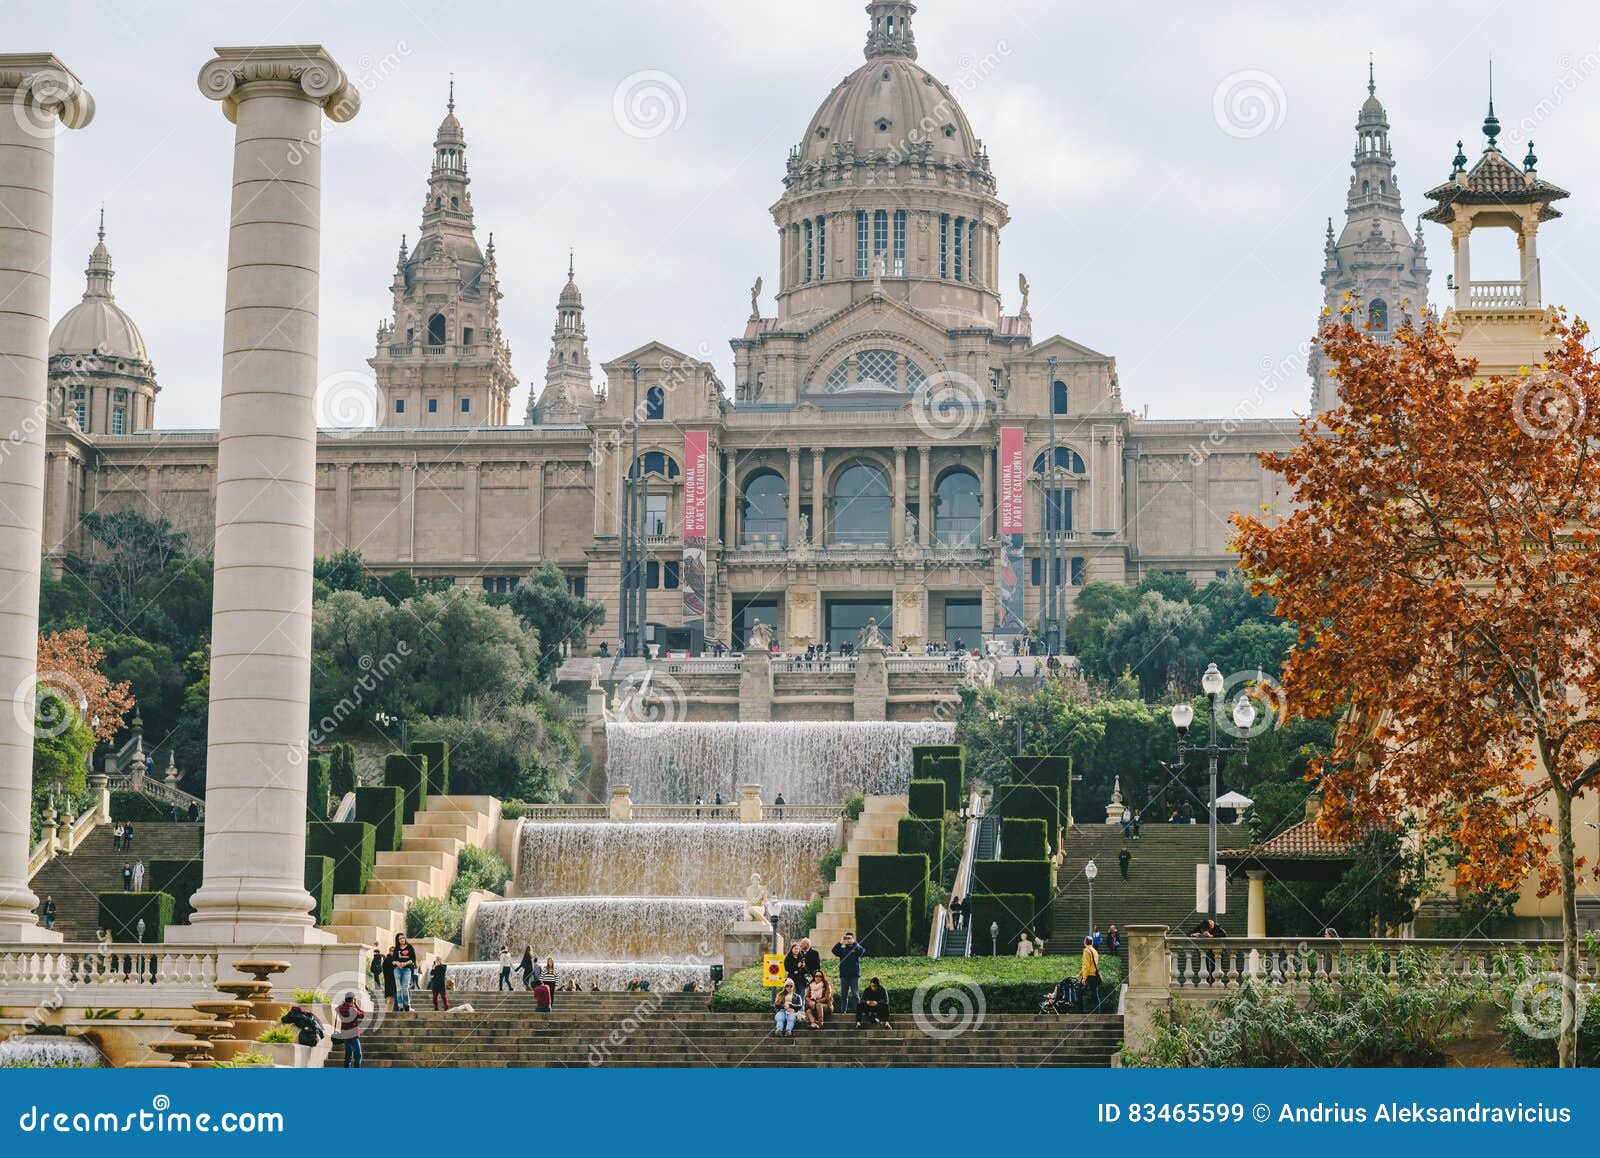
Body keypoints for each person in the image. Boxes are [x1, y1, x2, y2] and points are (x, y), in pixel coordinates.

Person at [832, 932, 865, 1012]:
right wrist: (840, 942)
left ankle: (858, 1011)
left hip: (854, 976)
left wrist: (855, 943)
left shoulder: (856, 949)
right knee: (844, 995)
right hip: (844, 976)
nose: (848, 940)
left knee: (855, 994)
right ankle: (843, 1011)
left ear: (853, 939)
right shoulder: (842, 950)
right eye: (846, 938)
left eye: (850, 938)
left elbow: (862, 951)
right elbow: (834, 951)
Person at [334, 991, 364, 1068]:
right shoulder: (353, 1010)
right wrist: (356, 1005)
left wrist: (344, 1003)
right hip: (353, 1035)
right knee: (358, 1056)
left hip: (345, 1034)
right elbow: (362, 1015)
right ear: (353, 1000)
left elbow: (337, 1008)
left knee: (348, 1056)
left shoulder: (340, 1008)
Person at [390, 934, 418, 1011]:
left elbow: (413, 959)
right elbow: (393, 961)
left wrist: (405, 963)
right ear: (398, 940)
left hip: (407, 970)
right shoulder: (396, 948)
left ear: (405, 938)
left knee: (405, 988)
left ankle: (407, 1005)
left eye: (403, 938)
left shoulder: (409, 947)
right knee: (398, 989)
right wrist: (397, 963)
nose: (402, 940)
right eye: (400, 939)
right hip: (397, 970)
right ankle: (400, 1006)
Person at [1080, 935, 1102, 1013]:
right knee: (1095, 995)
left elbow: (1086, 965)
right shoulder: (1094, 951)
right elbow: (1091, 964)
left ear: (1085, 942)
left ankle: (1084, 1012)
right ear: (1092, 942)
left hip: (1089, 976)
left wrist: (1084, 978)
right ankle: (1098, 1013)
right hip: (1094, 975)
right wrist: (1079, 974)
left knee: (1081, 993)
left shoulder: (1086, 950)